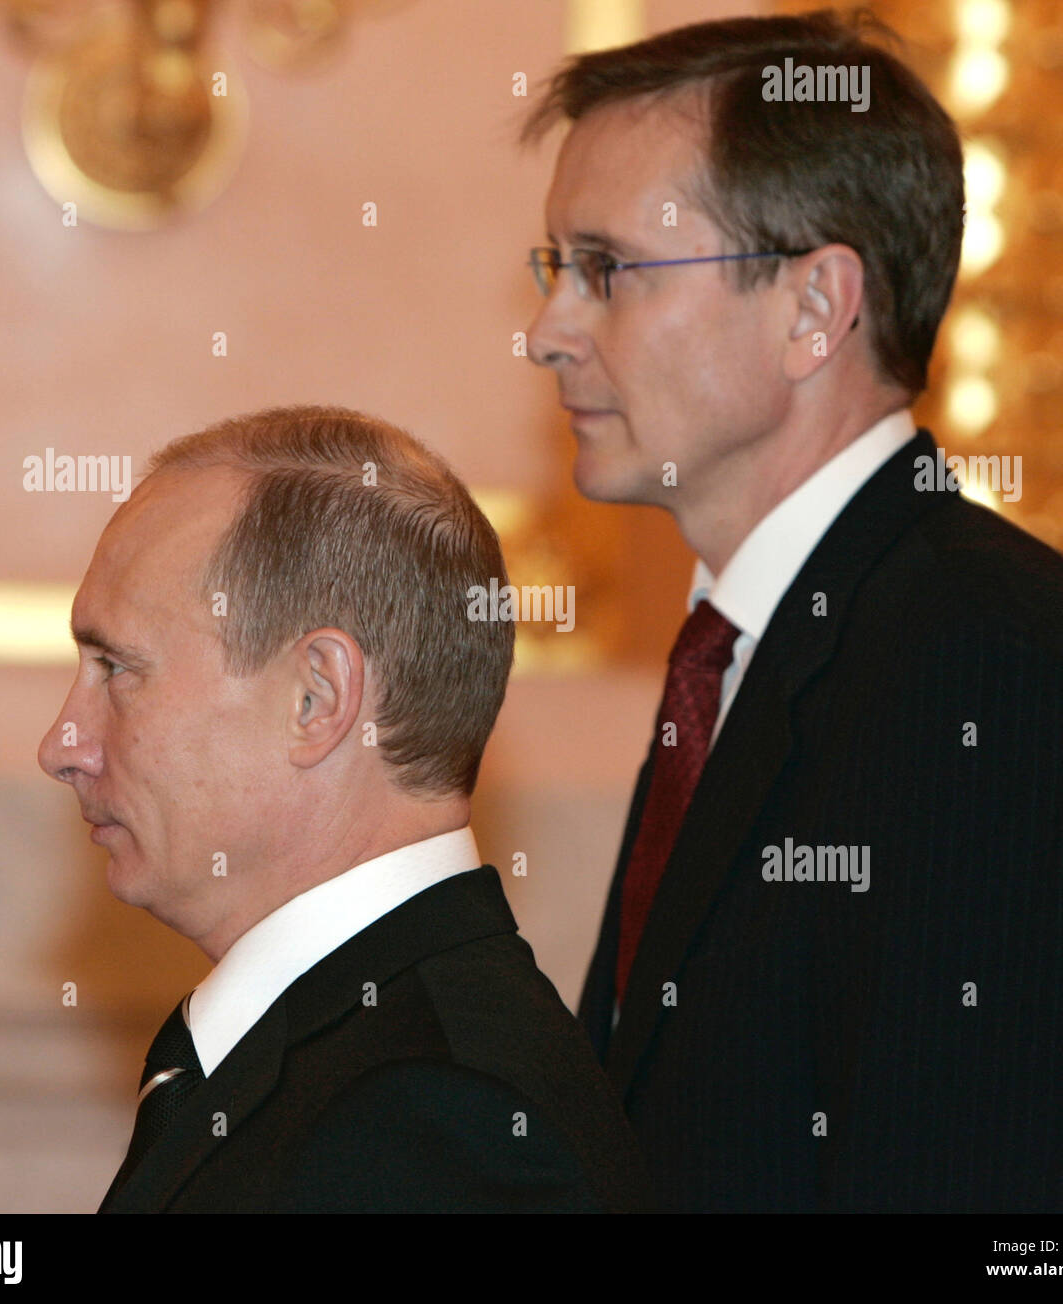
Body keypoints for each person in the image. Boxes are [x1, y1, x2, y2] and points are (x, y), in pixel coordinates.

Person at [521, 9, 1063, 1212]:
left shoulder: (984, 667)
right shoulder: (751, 644)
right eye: (555, 269)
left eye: (608, 269)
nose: (547, 331)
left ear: (814, 307)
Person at [37, 404, 650, 1213]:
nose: (63, 744)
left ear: (316, 697)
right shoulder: (354, 1055)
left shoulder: (438, 1123)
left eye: (116, 666)